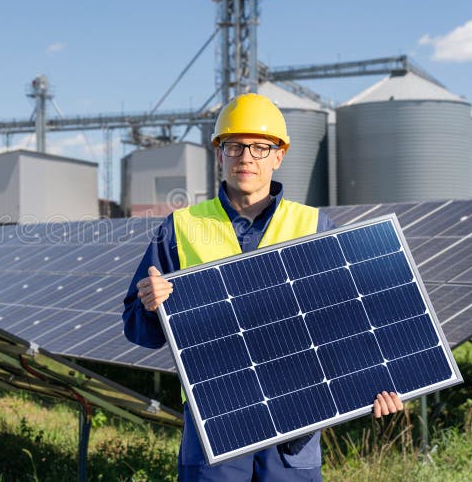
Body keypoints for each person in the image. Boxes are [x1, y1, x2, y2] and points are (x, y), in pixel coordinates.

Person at [122, 93, 403, 481]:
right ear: (219, 153)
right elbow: (137, 328)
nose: (247, 157)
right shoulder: (179, 228)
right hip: (214, 428)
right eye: (234, 145)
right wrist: (150, 305)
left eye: (260, 146)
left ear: (279, 155)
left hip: (297, 429)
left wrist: (380, 379)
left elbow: (353, 319)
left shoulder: (315, 227)